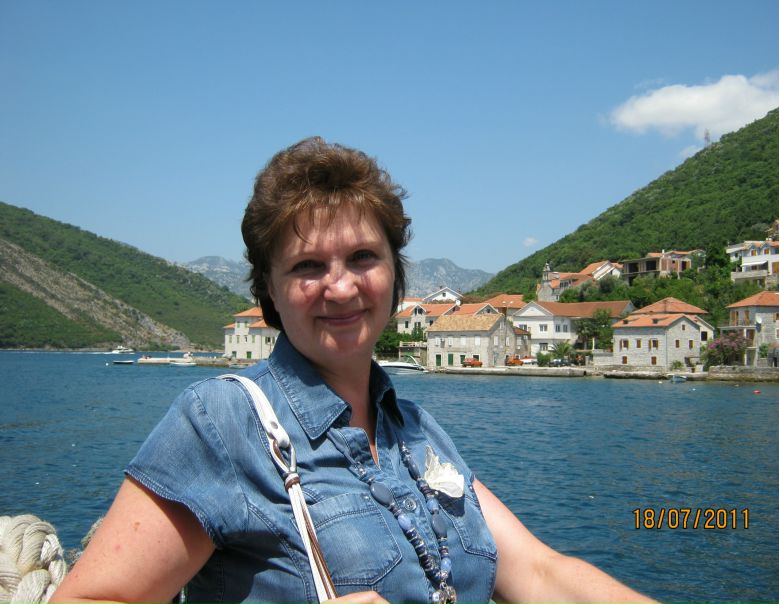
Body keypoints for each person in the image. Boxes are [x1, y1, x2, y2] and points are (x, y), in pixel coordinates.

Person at [52, 137, 658, 604]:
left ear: (395, 274)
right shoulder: (221, 421)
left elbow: (542, 573)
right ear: (270, 291)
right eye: (308, 266)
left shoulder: (416, 431)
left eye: (363, 257)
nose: (340, 287)